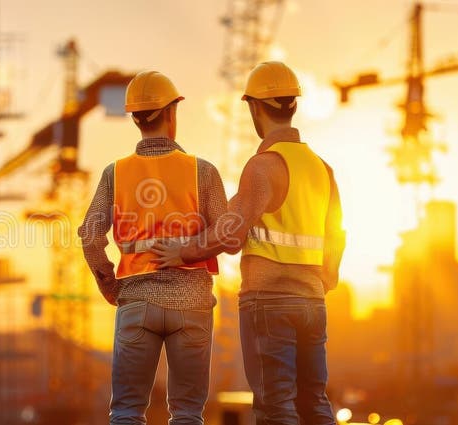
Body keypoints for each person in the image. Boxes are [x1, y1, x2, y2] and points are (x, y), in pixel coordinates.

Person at [150, 61, 346, 425]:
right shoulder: (322, 168)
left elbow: (229, 233)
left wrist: (182, 250)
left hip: (268, 302)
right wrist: (322, 283)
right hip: (313, 302)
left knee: (276, 406)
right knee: (315, 402)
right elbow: (336, 234)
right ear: (293, 106)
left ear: (255, 108)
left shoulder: (263, 167)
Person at [78, 70, 227, 424]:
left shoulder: (116, 174)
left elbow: (90, 236)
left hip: (136, 302)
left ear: (135, 118)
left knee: (127, 411)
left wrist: (109, 285)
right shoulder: (202, 171)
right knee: (188, 413)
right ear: (171, 113)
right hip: (192, 302)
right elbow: (226, 231)